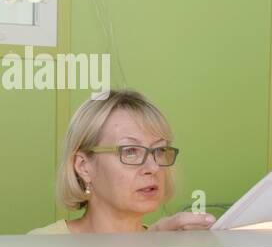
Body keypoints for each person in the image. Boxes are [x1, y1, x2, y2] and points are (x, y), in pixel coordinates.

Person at [27, 89, 215, 234]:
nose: (154, 167)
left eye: (159, 150)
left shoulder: (167, 242)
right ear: (83, 167)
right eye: (131, 151)